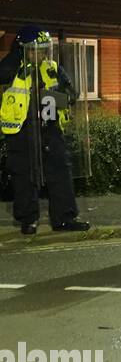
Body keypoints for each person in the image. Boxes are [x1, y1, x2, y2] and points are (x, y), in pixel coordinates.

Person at [0, 26, 90, 235]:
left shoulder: (51, 68)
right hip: (22, 130)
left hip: (49, 128)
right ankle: (27, 220)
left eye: (43, 49)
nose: (39, 54)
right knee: (24, 176)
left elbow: (72, 94)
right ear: (22, 49)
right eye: (34, 49)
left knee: (60, 173)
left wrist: (61, 95)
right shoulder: (12, 67)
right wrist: (17, 59)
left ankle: (64, 219)